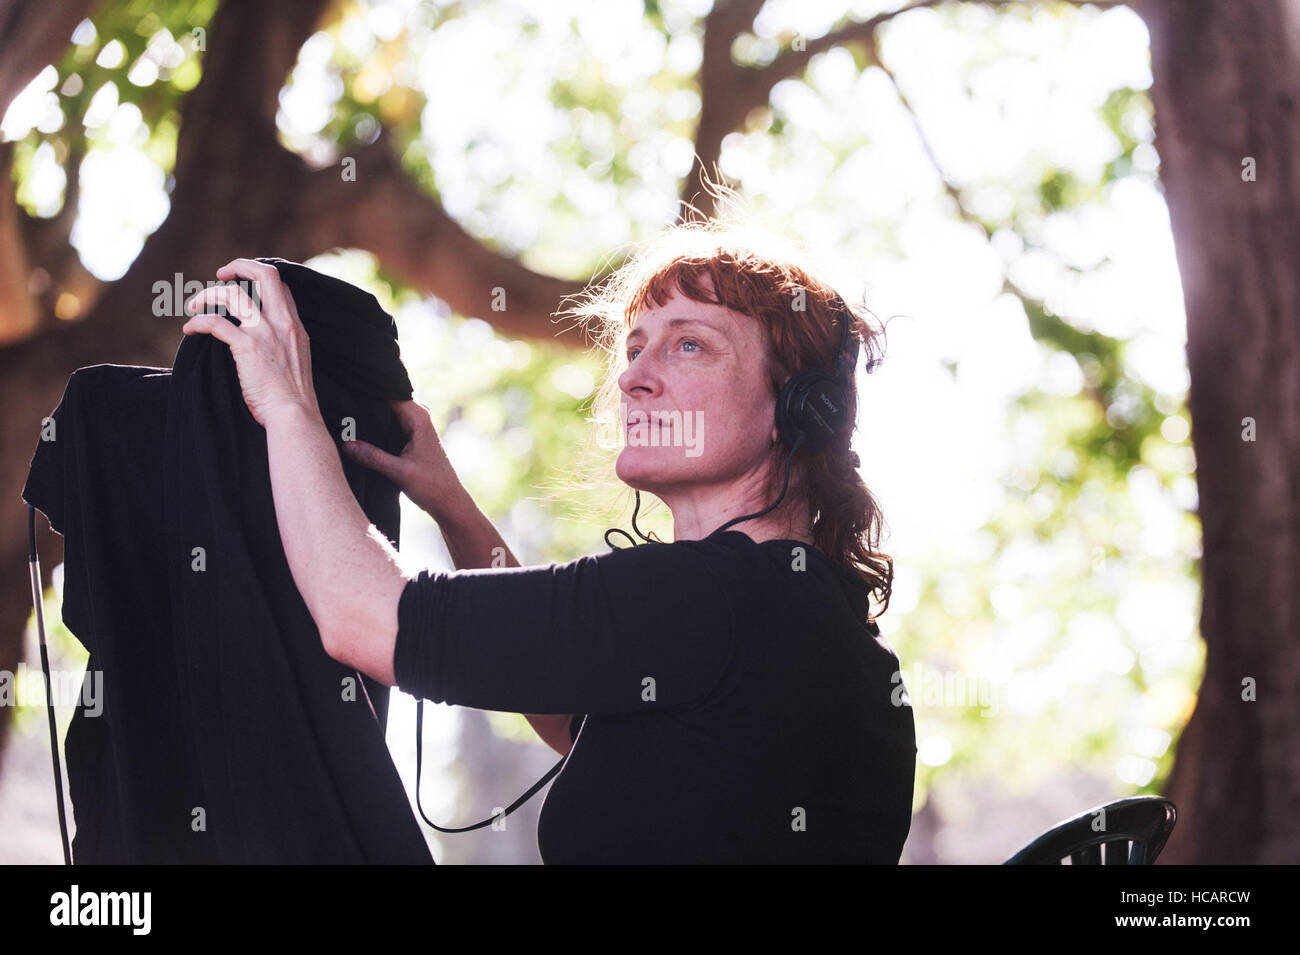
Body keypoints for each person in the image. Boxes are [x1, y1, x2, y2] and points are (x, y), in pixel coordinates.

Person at [180, 221, 917, 863]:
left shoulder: (712, 594)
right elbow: (594, 732)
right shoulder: (822, 628)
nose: (634, 378)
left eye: (689, 344)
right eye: (635, 347)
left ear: (798, 408)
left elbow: (359, 614)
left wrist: (285, 402)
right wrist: (455, 509)